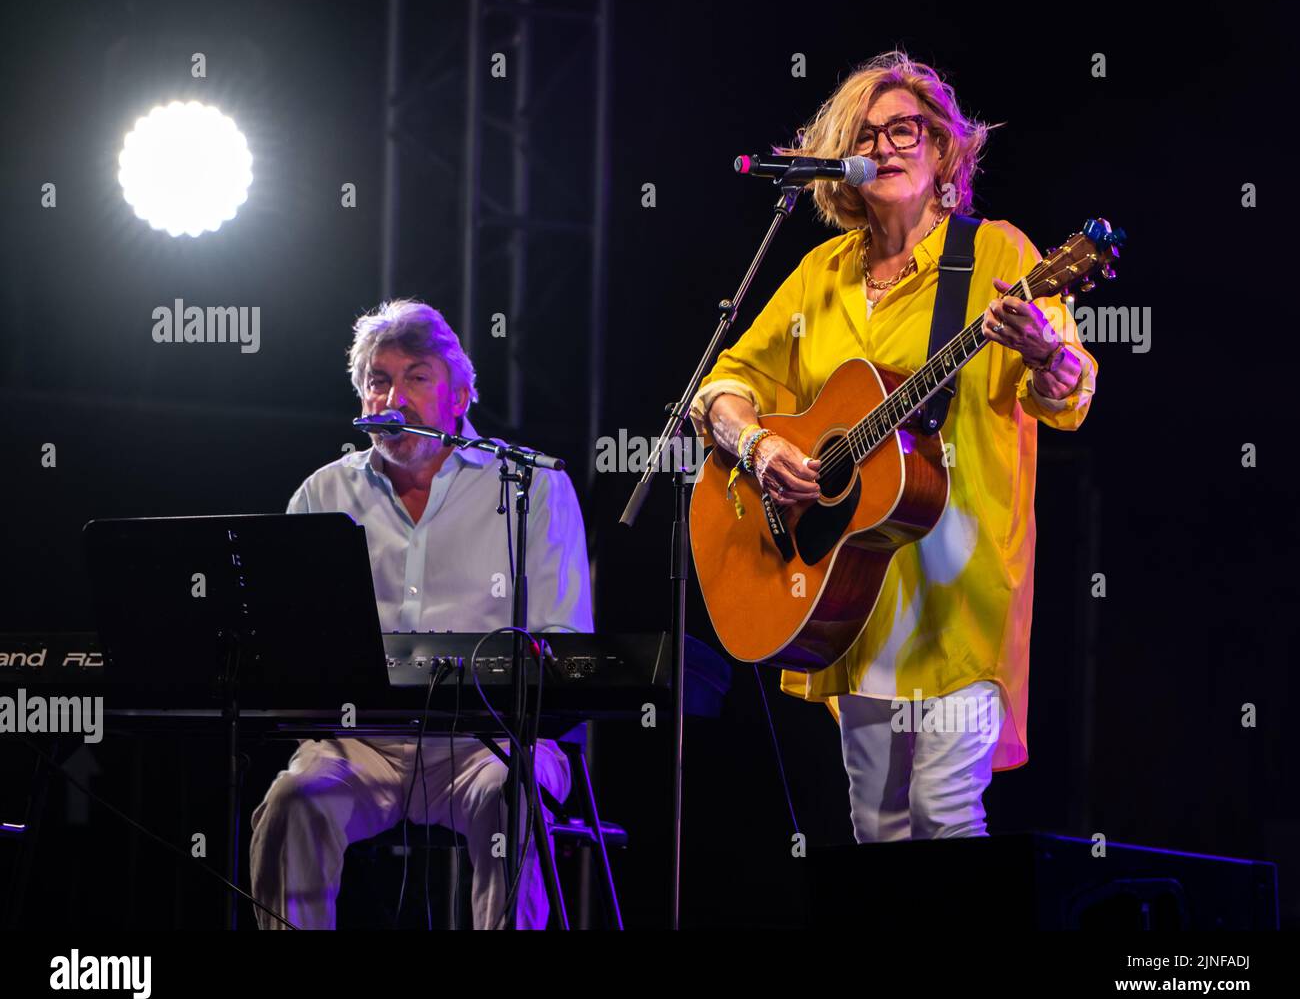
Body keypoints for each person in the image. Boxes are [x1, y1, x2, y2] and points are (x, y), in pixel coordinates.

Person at [690, 51, 1098, 843]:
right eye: (865, 134)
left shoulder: (1001, 256)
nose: (886, 145)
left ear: (944, 150)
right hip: (853, 594)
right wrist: (757, 446)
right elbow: (723, 385)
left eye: (906, 129)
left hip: (960, 596)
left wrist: (1049, 353)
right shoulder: (821, 275)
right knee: (876, 828)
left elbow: (1071, 397)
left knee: (946, 817)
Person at [249, 299, 593, 928]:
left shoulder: (533, 486)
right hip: (361, 741)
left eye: (417, 377)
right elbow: (286, 639)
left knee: (510, 800)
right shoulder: (323, 493)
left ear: (458, 397)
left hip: (489, 741)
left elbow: (563, 642)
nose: (394, 397)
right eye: (379, 380)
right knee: (292, 800)